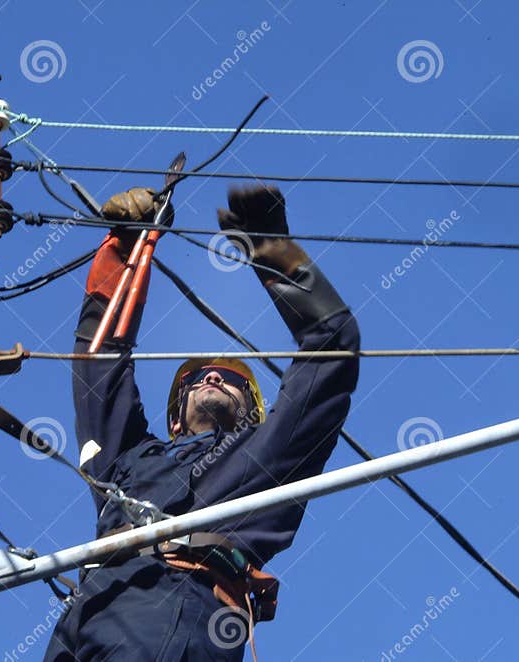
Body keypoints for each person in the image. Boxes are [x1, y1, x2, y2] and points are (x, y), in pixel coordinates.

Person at [44, 185, 361, 661]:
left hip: (185, 616)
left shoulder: (268, 459)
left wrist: (271, 248)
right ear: (173, 417)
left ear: (253, 411)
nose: (212, 373)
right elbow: (99, 364)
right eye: (195, 377)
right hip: (87, 619)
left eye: (232, 378)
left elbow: (331, 348)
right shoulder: (127, 464)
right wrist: (126, 249)